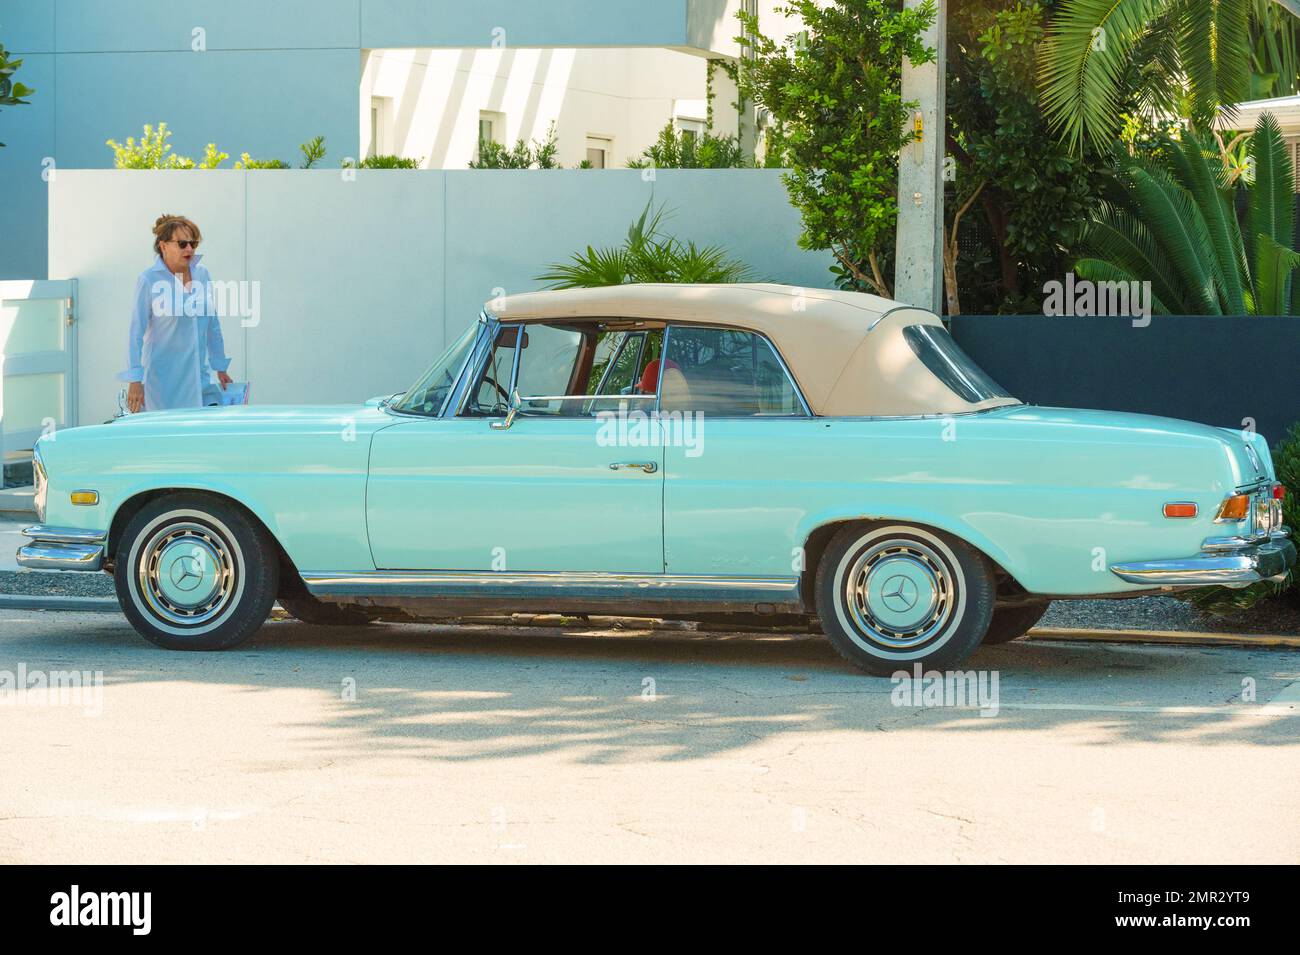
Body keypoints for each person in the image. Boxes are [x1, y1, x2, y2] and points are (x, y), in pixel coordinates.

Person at [119, 214, 233, 413]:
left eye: (193, 243)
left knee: (198, 437)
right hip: (163, 382)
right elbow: (135, 333)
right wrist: (135, 380)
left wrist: (220, 366)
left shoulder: (202, 274)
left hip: (199, 378)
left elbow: (212, 324)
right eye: (182, 244)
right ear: (163, 246)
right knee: (165, 438)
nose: (189, 249)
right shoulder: (148, 280)